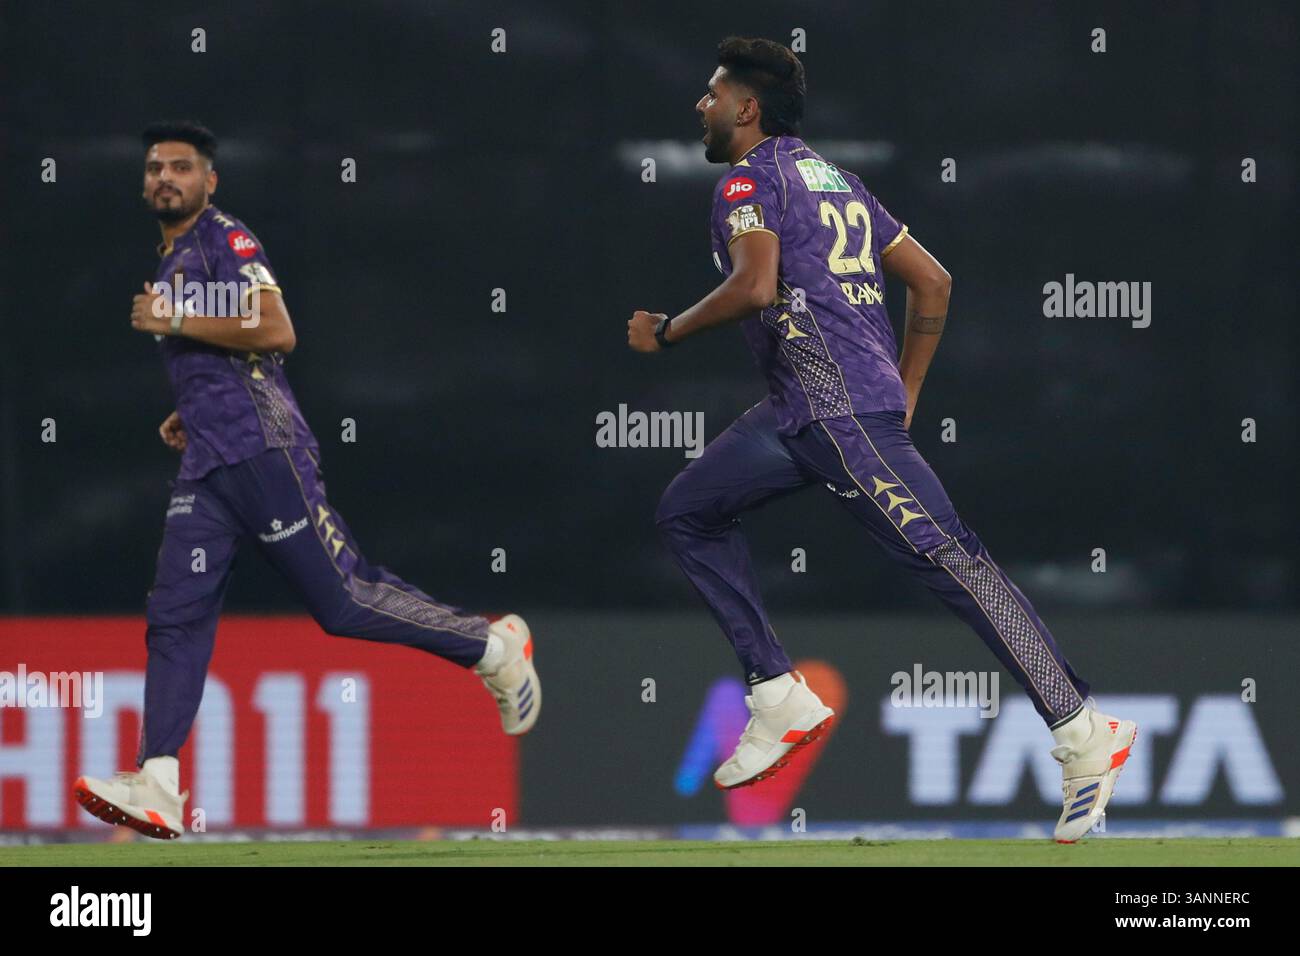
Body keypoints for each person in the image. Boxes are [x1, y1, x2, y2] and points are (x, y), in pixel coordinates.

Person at [627, 39, 1134, 842]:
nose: (702, 105)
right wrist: (908, 391)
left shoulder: (746, 180)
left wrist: (669, 329)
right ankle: (777, 693)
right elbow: (932, 281)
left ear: (747, 109)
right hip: (803, 413)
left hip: (837, 417)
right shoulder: (841, 183)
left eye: (713, 93)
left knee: (951, 561)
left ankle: (1083, 731)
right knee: (688, 510)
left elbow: (755, 285)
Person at [73, 121, 540, 840]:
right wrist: (189, 406)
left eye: (181, 167)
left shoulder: (225, 240)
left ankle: (491, 647)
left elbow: (275, 327)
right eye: (156, 167)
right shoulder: (172, 254)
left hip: (265, 448)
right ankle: (158, 779)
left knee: (341, 601)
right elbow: (225, 348)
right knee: (176, 613)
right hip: (208, 461)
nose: (165, 177)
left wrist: (177, 317)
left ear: (209, 181)